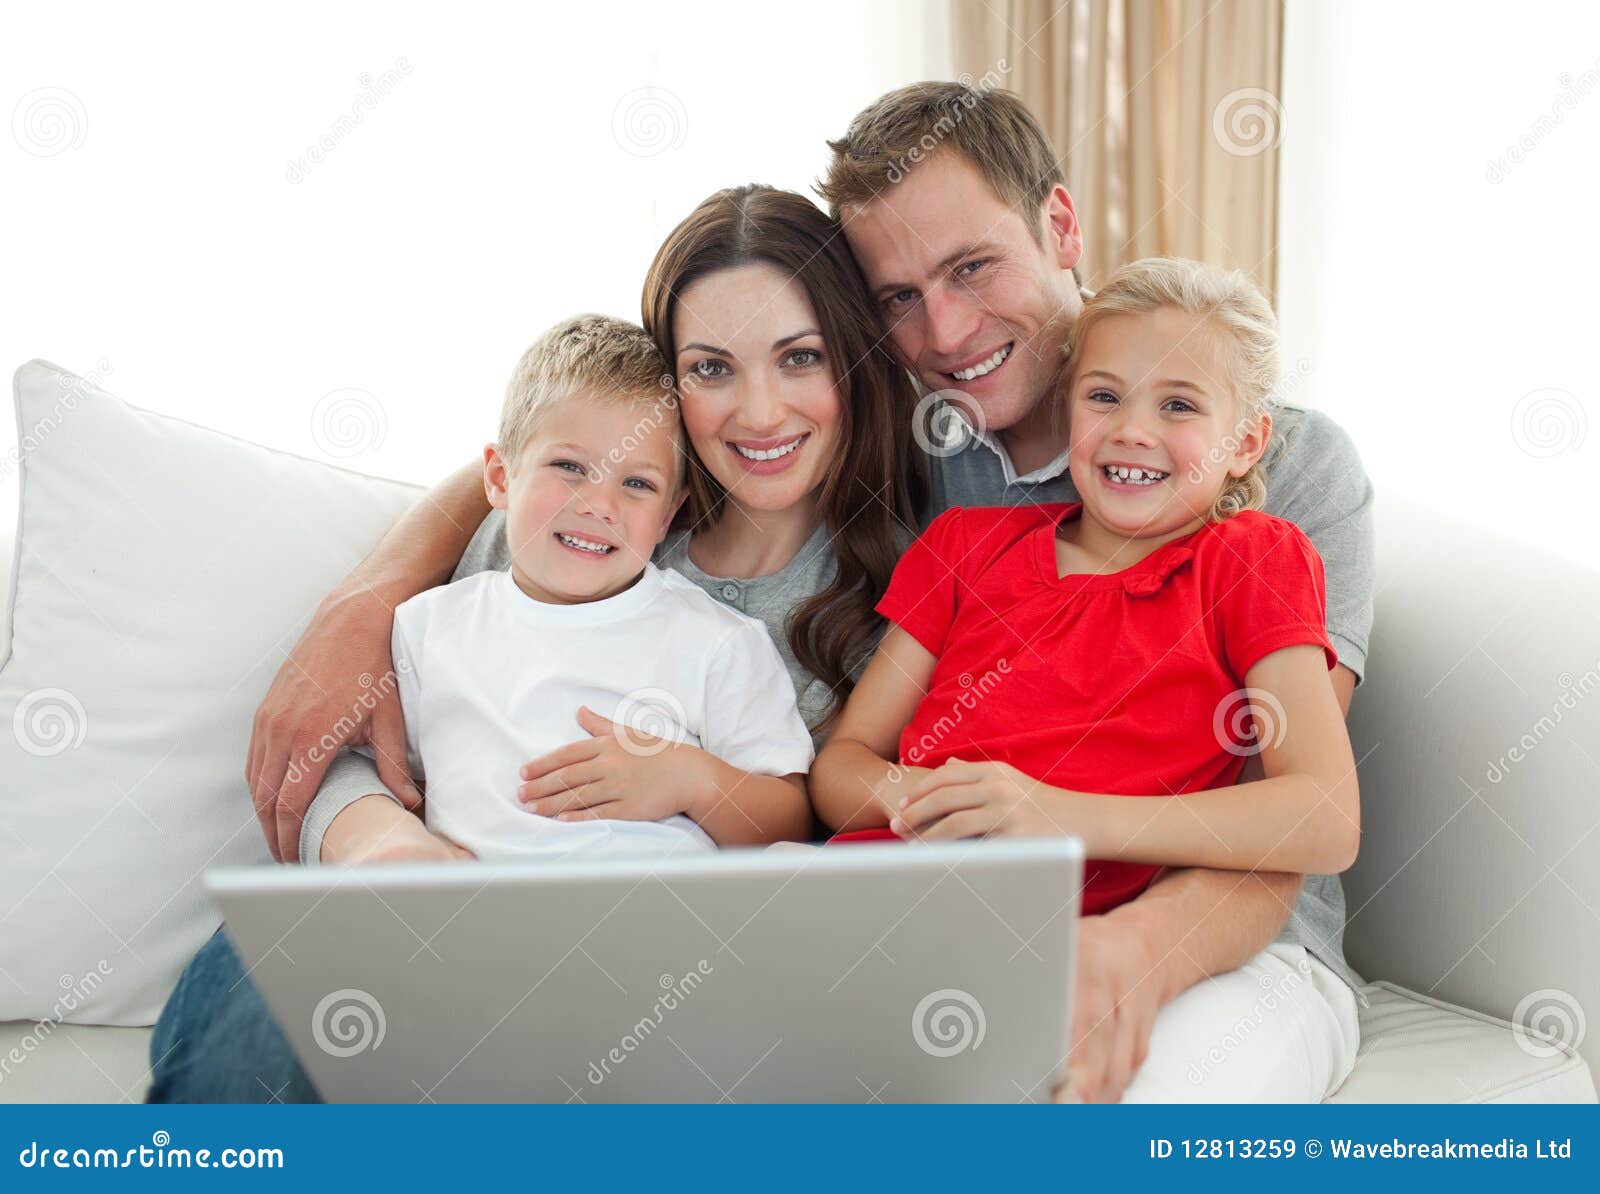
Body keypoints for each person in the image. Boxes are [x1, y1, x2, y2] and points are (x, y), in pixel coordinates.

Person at [149, 185, 924, 1102]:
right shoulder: (552, 537)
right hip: (443, 921)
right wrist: (380, 846)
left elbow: (798, 826)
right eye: (711, 368)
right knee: (263, 970)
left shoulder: (897, 602)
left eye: (800, 358)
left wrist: (687, 781)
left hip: (653, 966)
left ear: (855, 360)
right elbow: (379, 747)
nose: (758, 412)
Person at [815, 82, 1374, 1101]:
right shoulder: (925, 484)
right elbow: (631, 423)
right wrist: (423, 553)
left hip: (1230, 943)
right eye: (898, 296)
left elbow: (1276, 812)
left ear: (1060, 224)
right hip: (951, 919)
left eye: (972, 267)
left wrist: (1131, 948)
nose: (942, 333)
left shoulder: (1283, 486)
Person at [322, 313, 814, 867]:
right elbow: (385, 780)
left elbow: (790, 819)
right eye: (570, 466)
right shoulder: (427, 629)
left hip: (661, 918)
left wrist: (693, 781)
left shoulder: (719, 642)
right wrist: (414, 846)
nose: (599, 505)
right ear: (500, 477)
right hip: (475, 918)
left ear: (667, 515)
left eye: (637, 483)